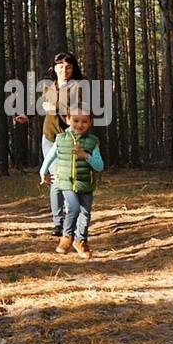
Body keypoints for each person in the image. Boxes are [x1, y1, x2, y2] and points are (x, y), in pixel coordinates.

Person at [17, 52, 84, 236]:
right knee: (55, 178)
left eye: (68, 67)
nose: (65, 70)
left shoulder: (78, 87)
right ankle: (58, 223)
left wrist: (58, 109)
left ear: (73, 68)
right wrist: (27, 115)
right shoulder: (49, 87)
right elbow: (41, 104)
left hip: (69, 138)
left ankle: (73, 217)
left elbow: (79, 114)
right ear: (54, 68)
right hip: (49, 137)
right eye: (61, 67)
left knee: (69, 179)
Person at [39, 106, 103, 258]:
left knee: (85, 214)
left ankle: (80, 241)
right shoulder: (61, 139)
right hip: (66, 181)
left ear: (90, 123)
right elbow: (50, 157)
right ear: (67, 120)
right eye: (75, 120)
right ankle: (67, 237)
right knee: (73, 208)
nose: (80, 124)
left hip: (85, 183)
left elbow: (99, 166)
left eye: (84, 121)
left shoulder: (92, 142)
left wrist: (85, 155)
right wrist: (43, 172)